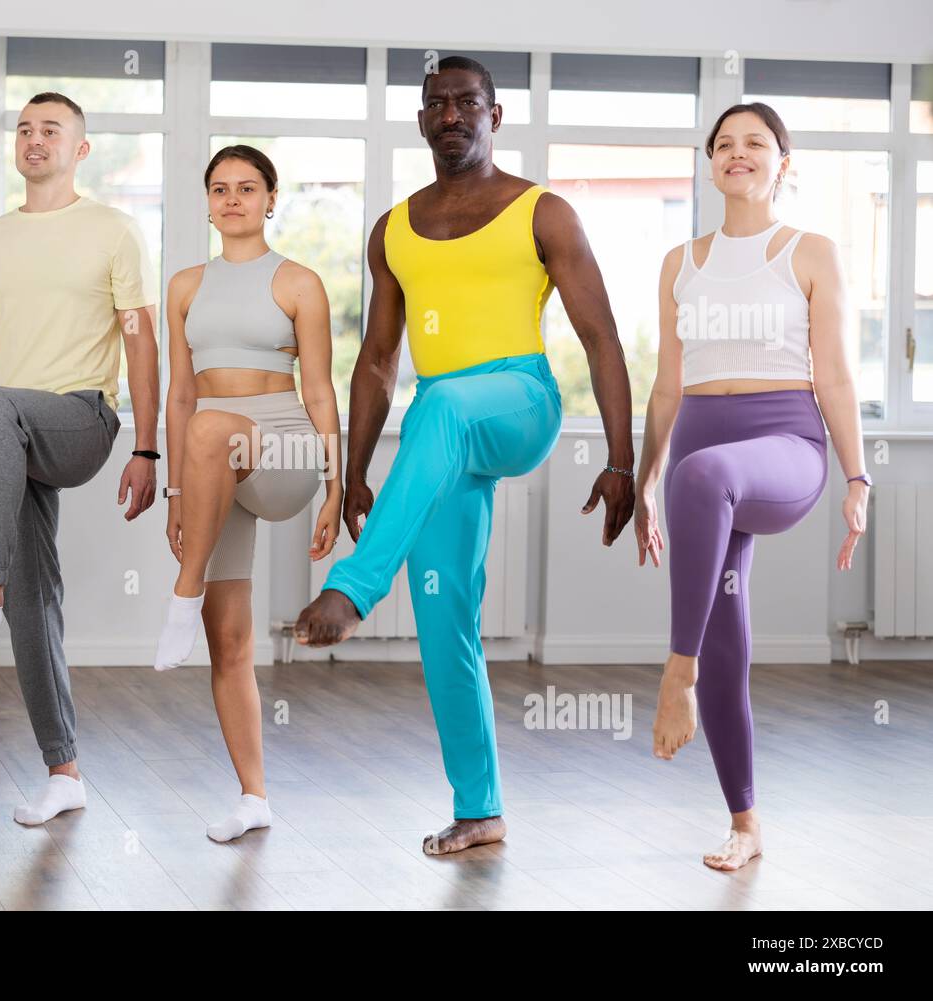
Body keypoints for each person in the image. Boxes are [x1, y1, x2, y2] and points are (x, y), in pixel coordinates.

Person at [295, 56, 636, 856]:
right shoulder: (394, 229)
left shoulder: (542, 212)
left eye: (468, 103)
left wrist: (622, 457)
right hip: (440, 440)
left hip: (519, 402)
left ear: (495, 115)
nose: (452, 115)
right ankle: (479, 808)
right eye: (437, 104)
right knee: (445, 611)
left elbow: (601, 337)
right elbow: (376, 360)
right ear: (421, 121)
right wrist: (352, 474)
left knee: (439, 401)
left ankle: (351, 590)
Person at [637, 102, 868, 871]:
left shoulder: (810, 252)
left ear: (783, 163)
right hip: (702, 452)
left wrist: (857, 474)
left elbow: (834, 373)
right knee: (726, 630)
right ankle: (744, 821)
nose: (739, 154)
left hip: (785, 445)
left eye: (756, 144)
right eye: (725, 144)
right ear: (710, 164)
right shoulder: (681, 261)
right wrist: (644, 479)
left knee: (705, 477)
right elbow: (667, 388)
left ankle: (676, 673)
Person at [0, 92, 160, 827]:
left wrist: (146, 443)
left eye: (51, 131)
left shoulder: (113, 230)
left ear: (81, 149)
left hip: (80, 419)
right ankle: (63, 771)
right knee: (36, 604)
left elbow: (140, 342)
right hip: (4, 437)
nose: (35, 140)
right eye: (25, 129)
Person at [154, 145, 342, 842]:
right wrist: (176, 491)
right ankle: (253, 795)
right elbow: (179, 397)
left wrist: (334, 485)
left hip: (284, 444)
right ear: (207, 202)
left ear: (270, 199)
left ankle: (180, 591)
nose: (232, 199)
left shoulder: (298, 282)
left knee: (209, 427)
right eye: (220, 189)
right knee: (228, 640)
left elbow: (321, 389)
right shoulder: (182, 286)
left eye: (247, 188)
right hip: (211, 455)